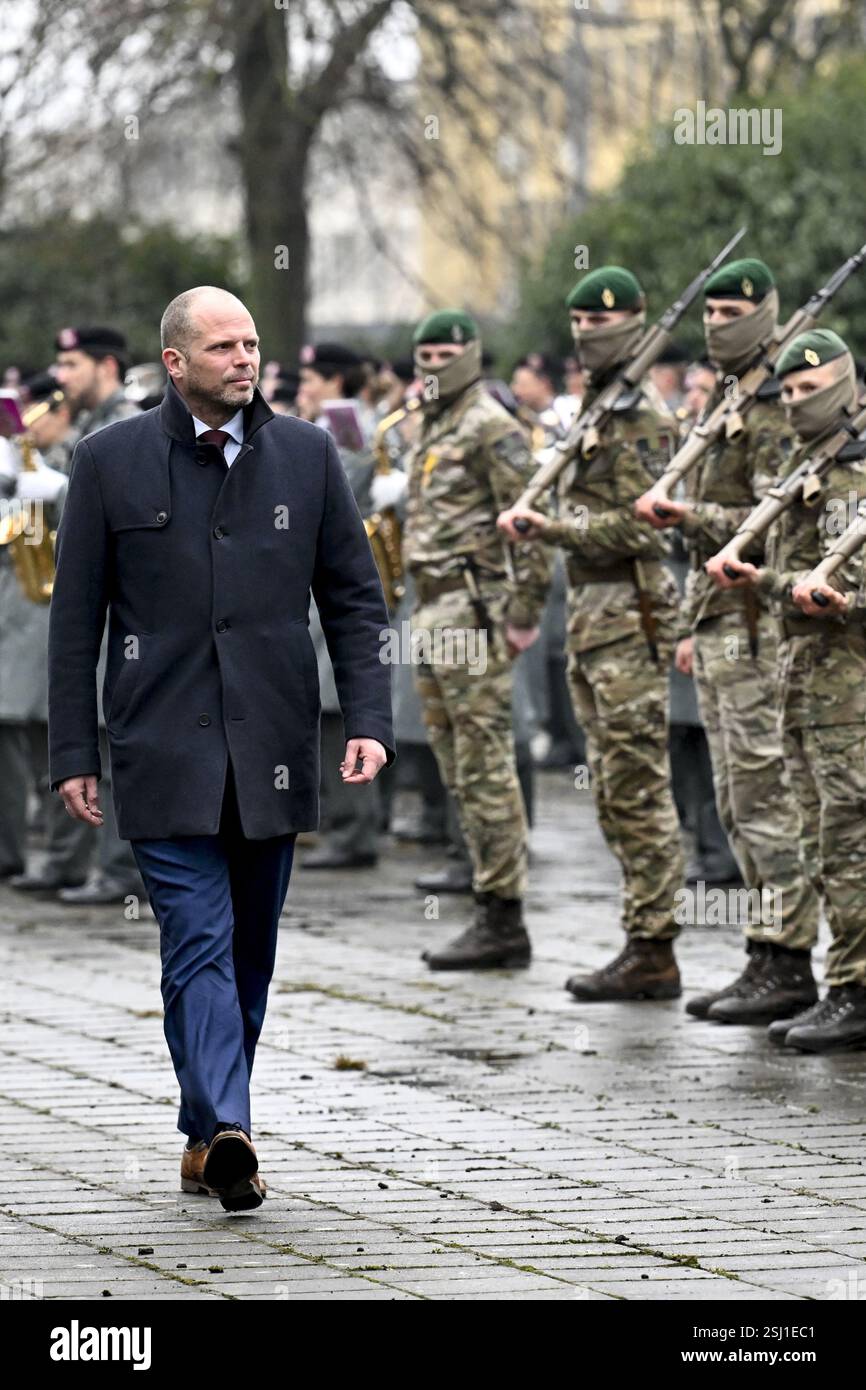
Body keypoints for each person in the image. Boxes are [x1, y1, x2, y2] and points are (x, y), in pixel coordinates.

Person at [47, 286, 394, 1208]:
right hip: (161, 747)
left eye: (251, 343)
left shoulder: (307, 455)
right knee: (196, 939)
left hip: (274, 748)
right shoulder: (109, 461)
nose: (245, 360)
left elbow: (355, 601)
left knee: (248, 951)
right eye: (223, 347)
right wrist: (74, 753)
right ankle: (234, 1125)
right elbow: (74, 621)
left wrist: (368, 722)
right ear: (174, 363)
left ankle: (206, 1129)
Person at [636, 259, 820, 1025]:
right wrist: (688, 625)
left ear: (766, 314)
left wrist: (689, 515)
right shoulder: (730, 394)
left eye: (733, 309)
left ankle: (787, 958)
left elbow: (768, 522)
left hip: (756, 629)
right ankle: (764, 952)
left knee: (767, 799)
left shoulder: (779, 401)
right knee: (736, 803)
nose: (716, 322)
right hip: (718, 626)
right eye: (708, 309)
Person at [498, 265, 686, 1001]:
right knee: (611, 789)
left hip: (630, 616)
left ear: (636, 323)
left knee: (638, 789)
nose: (588, 334)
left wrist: (557, 529)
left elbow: (647, 526)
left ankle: (654, 947)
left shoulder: (643, 418)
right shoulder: (595, 410)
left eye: (604, 324)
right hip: (590, 621)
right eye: (579, 324)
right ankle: (641, 938)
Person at [707, 329, 866, 1051]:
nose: (796, 402)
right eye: (790, 392)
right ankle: (839, 980)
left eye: (810, 390)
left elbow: (843, 590)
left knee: (849, 842)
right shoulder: (811, 467)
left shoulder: (854, 479)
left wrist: (795, 590)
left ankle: (855, 987)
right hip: (801, 686)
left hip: (848, 693)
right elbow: (794, 580)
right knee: (817, 840)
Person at [404, 308, 550, 969]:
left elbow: (530, 522)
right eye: (424, 353)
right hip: (433, 612)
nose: (433, 364)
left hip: (474, 612)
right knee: (457, 765)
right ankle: (483, 892)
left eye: (445, 352)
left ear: (471, 353)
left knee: (486, 765)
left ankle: (503, 915)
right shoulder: (432, 423)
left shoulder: (493, 426)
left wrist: (523, 610)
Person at [11, 328, 144, 904]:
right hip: (94, 599)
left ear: (105, 366)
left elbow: (126, 500)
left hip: (126, 605)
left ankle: (122, 872)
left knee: (118, 748)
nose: (59, 377)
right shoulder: (94, 422)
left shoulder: (131, 419)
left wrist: (60, 487)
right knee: (89, 740)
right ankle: (88, 862)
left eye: (70, 365)